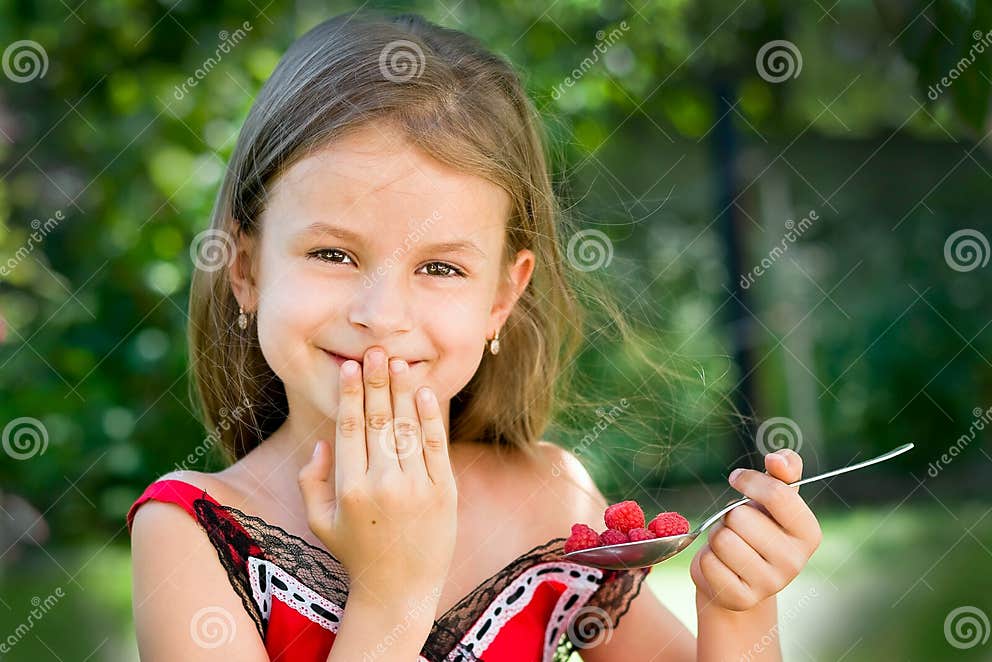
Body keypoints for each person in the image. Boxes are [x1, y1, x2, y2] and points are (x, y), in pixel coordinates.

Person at [128, 10, 822, 661]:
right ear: (245, 269)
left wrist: (739, 610)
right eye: (333, 255)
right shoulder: (192, 531)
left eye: (439, 266)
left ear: (500, 298)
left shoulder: (548, 498)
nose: (382, 314)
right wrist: (393, 592)